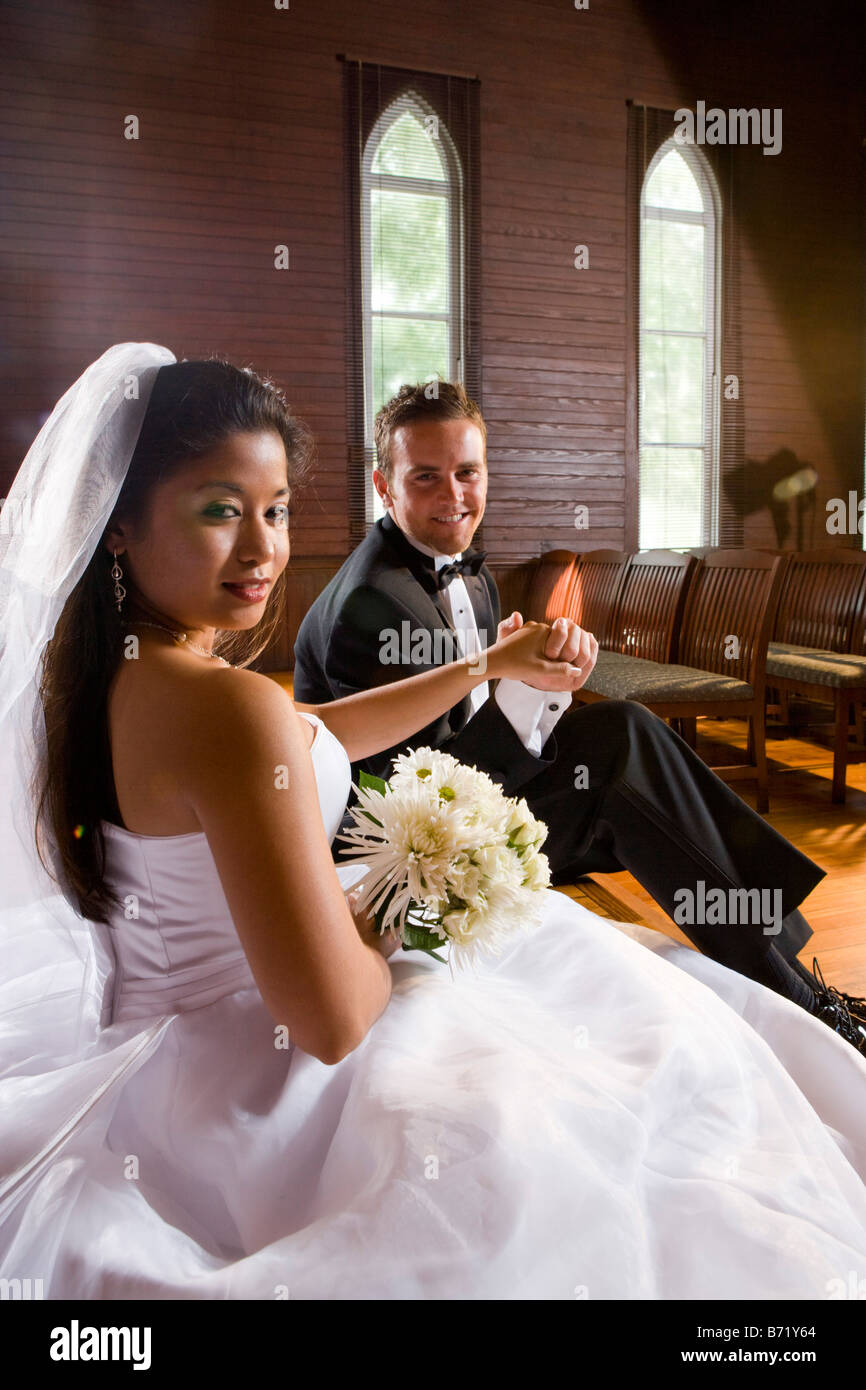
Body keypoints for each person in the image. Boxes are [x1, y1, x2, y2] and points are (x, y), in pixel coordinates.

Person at [1, 343, 866, 1302]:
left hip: (157, 1050)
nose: (262, 550)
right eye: (220, 511)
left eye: (277, 511)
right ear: (120, 524)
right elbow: (330, 1023)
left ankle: (788, 973)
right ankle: (795, 992)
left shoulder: (104, 678)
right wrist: (395, 896)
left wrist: (488, 667)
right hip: (261, 1064)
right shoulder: (228, 703)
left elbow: (309, 730)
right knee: (641, 1052)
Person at [293, 380, 866, 1049]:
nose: (454, 497)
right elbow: (424, 803)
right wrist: (520, 681)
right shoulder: (373, 602)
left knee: (627, 732)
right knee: (621, 768)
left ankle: (794, 978)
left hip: (469, 794)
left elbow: (468, 706)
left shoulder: (465, 571)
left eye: (467, 472)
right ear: (383, 486)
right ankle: (800, 1002)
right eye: (425, 477)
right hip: (409, 874)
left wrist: (534, 673)